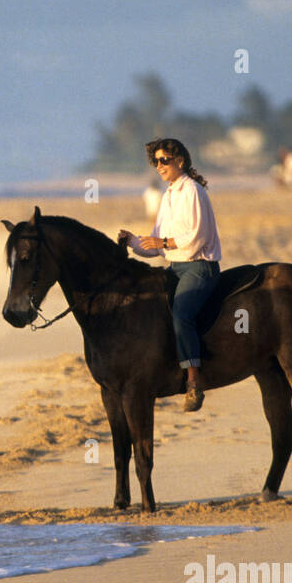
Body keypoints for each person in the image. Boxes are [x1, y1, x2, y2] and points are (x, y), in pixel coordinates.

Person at [117, 138, 223, 412]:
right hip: (176, 267)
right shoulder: (168, 195)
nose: (159, 166)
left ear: (180, 161)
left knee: (181, 315)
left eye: (164, 160)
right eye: (156, 162)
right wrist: (132, 242)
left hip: (200, 268)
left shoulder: (193, 191)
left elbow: (196, 238)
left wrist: (162, 243)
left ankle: (193, 381)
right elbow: (154, 244)